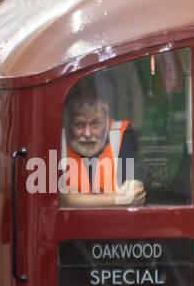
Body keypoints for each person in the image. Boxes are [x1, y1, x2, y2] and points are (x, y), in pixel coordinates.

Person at [58, 80, 145, 208]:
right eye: (79, 125)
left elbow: (134, 194)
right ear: (68, 123)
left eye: (95, 124)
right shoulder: (56, 139)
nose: (87, 134)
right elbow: (58, 199)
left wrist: (75, 199)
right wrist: (117, 199)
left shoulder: (124, 135)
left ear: (106, 119)